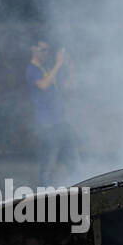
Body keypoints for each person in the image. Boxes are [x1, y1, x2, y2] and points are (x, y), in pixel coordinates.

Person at [26, 37, 79, 186]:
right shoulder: (31, 69)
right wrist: (58, 64)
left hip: (60, 122)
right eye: (43, 50)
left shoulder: (46, 69)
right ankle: (45, 194)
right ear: (33, 49)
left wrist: (70, 68)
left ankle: (81, 189)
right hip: (47, 124)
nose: (46, 53)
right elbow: (43, 85)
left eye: (47, 50)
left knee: (73, 160)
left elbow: (67, 87)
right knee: (48, 164)